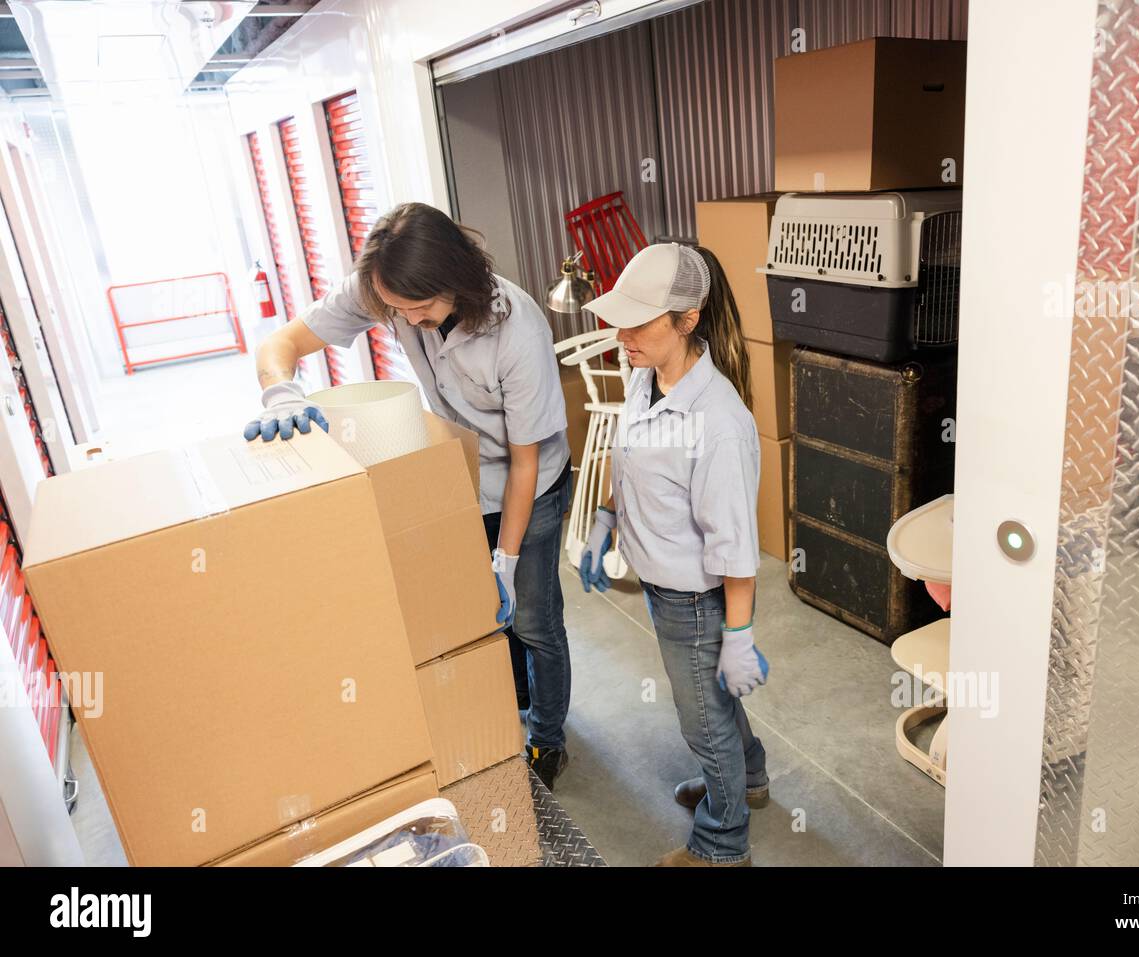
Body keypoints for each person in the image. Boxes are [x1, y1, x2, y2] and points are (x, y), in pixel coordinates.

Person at [243, 202, 573, 789]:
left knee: (535, 620)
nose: (405, 318)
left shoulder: (516, 327)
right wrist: (282, 394)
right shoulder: (382, 291)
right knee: (490, 618)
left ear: (458, 280)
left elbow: (525, 462)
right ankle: (514, 699)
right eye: (394, 309)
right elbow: (281, 343)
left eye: (418, 307)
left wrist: (508, 556)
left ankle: (548, 740)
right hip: (462, 477)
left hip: (531, 485)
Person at [579, 242, 770, 866]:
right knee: (716, 705)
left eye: (638, 322)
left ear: (687, 319)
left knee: (704, 724)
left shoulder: (720, 423)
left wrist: (737, 636)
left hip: (695, 599)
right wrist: (609, 514)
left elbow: (736, 548)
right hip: (662, 586)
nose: (621, 334)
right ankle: (750, 779)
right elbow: (631, 459)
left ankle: (721, 842)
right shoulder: (645, 379)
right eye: (620, 318)